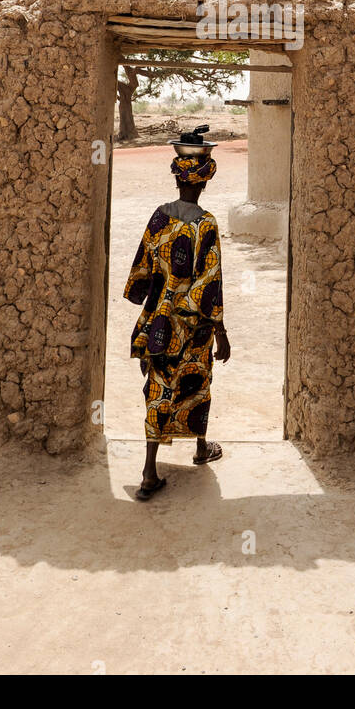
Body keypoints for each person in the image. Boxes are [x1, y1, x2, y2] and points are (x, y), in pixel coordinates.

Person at [124, 125, 230, 501]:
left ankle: (149, 472)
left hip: (160, 323)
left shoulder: (159, 218)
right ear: (205, 181)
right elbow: (210, 281)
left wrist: (154, 301)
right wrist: (220, 332)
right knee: (197, 383)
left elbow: (142, 269)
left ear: (178, 176)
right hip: (194, 325)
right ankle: (200, 449)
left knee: (158, 388)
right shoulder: (207, 224)